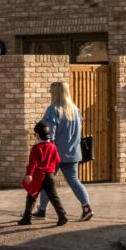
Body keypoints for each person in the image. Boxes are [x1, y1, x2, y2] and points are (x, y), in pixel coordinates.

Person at [34, 81, 94, 221]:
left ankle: (42, 211)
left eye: (51, 91)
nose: (50, 93)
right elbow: (79, 132)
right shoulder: (75, 110)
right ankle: (86, 208)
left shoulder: (53, 109)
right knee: (74, 180)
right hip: (73, 152)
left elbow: (49, 133)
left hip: (55, 154)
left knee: (46, 181)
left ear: (55, 93)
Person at [18, 121, 68, 226]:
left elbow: (33, 164)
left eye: (35, 134)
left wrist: (29, 174)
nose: (35, 135)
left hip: (38, 176)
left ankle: (27, 218)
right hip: (50, 175)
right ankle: (62, 216)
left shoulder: (36, 148)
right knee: (54, 197)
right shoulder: (52, 146)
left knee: (31, 196)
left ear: (38, 135)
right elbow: (58, 160)